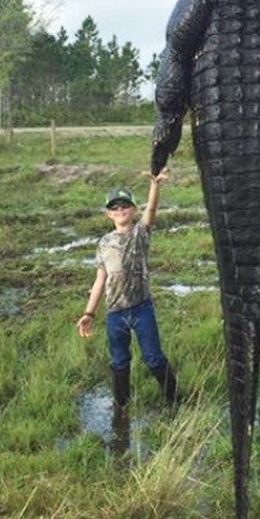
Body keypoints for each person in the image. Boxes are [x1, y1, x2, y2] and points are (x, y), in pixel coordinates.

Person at [77, 168, 177, 409]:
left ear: (133, 210)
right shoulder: (104, 243)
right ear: (108, 214)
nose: (120, 210)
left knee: (153, 358)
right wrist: (89, 313)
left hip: (142, 309)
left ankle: (174, 400)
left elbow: (151, 212)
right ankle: (121, 405)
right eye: (115, 208)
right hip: (115, 313)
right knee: (120, 362)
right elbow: (100, 279)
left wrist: (155, 186)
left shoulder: (140, 234)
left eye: (125, 206)